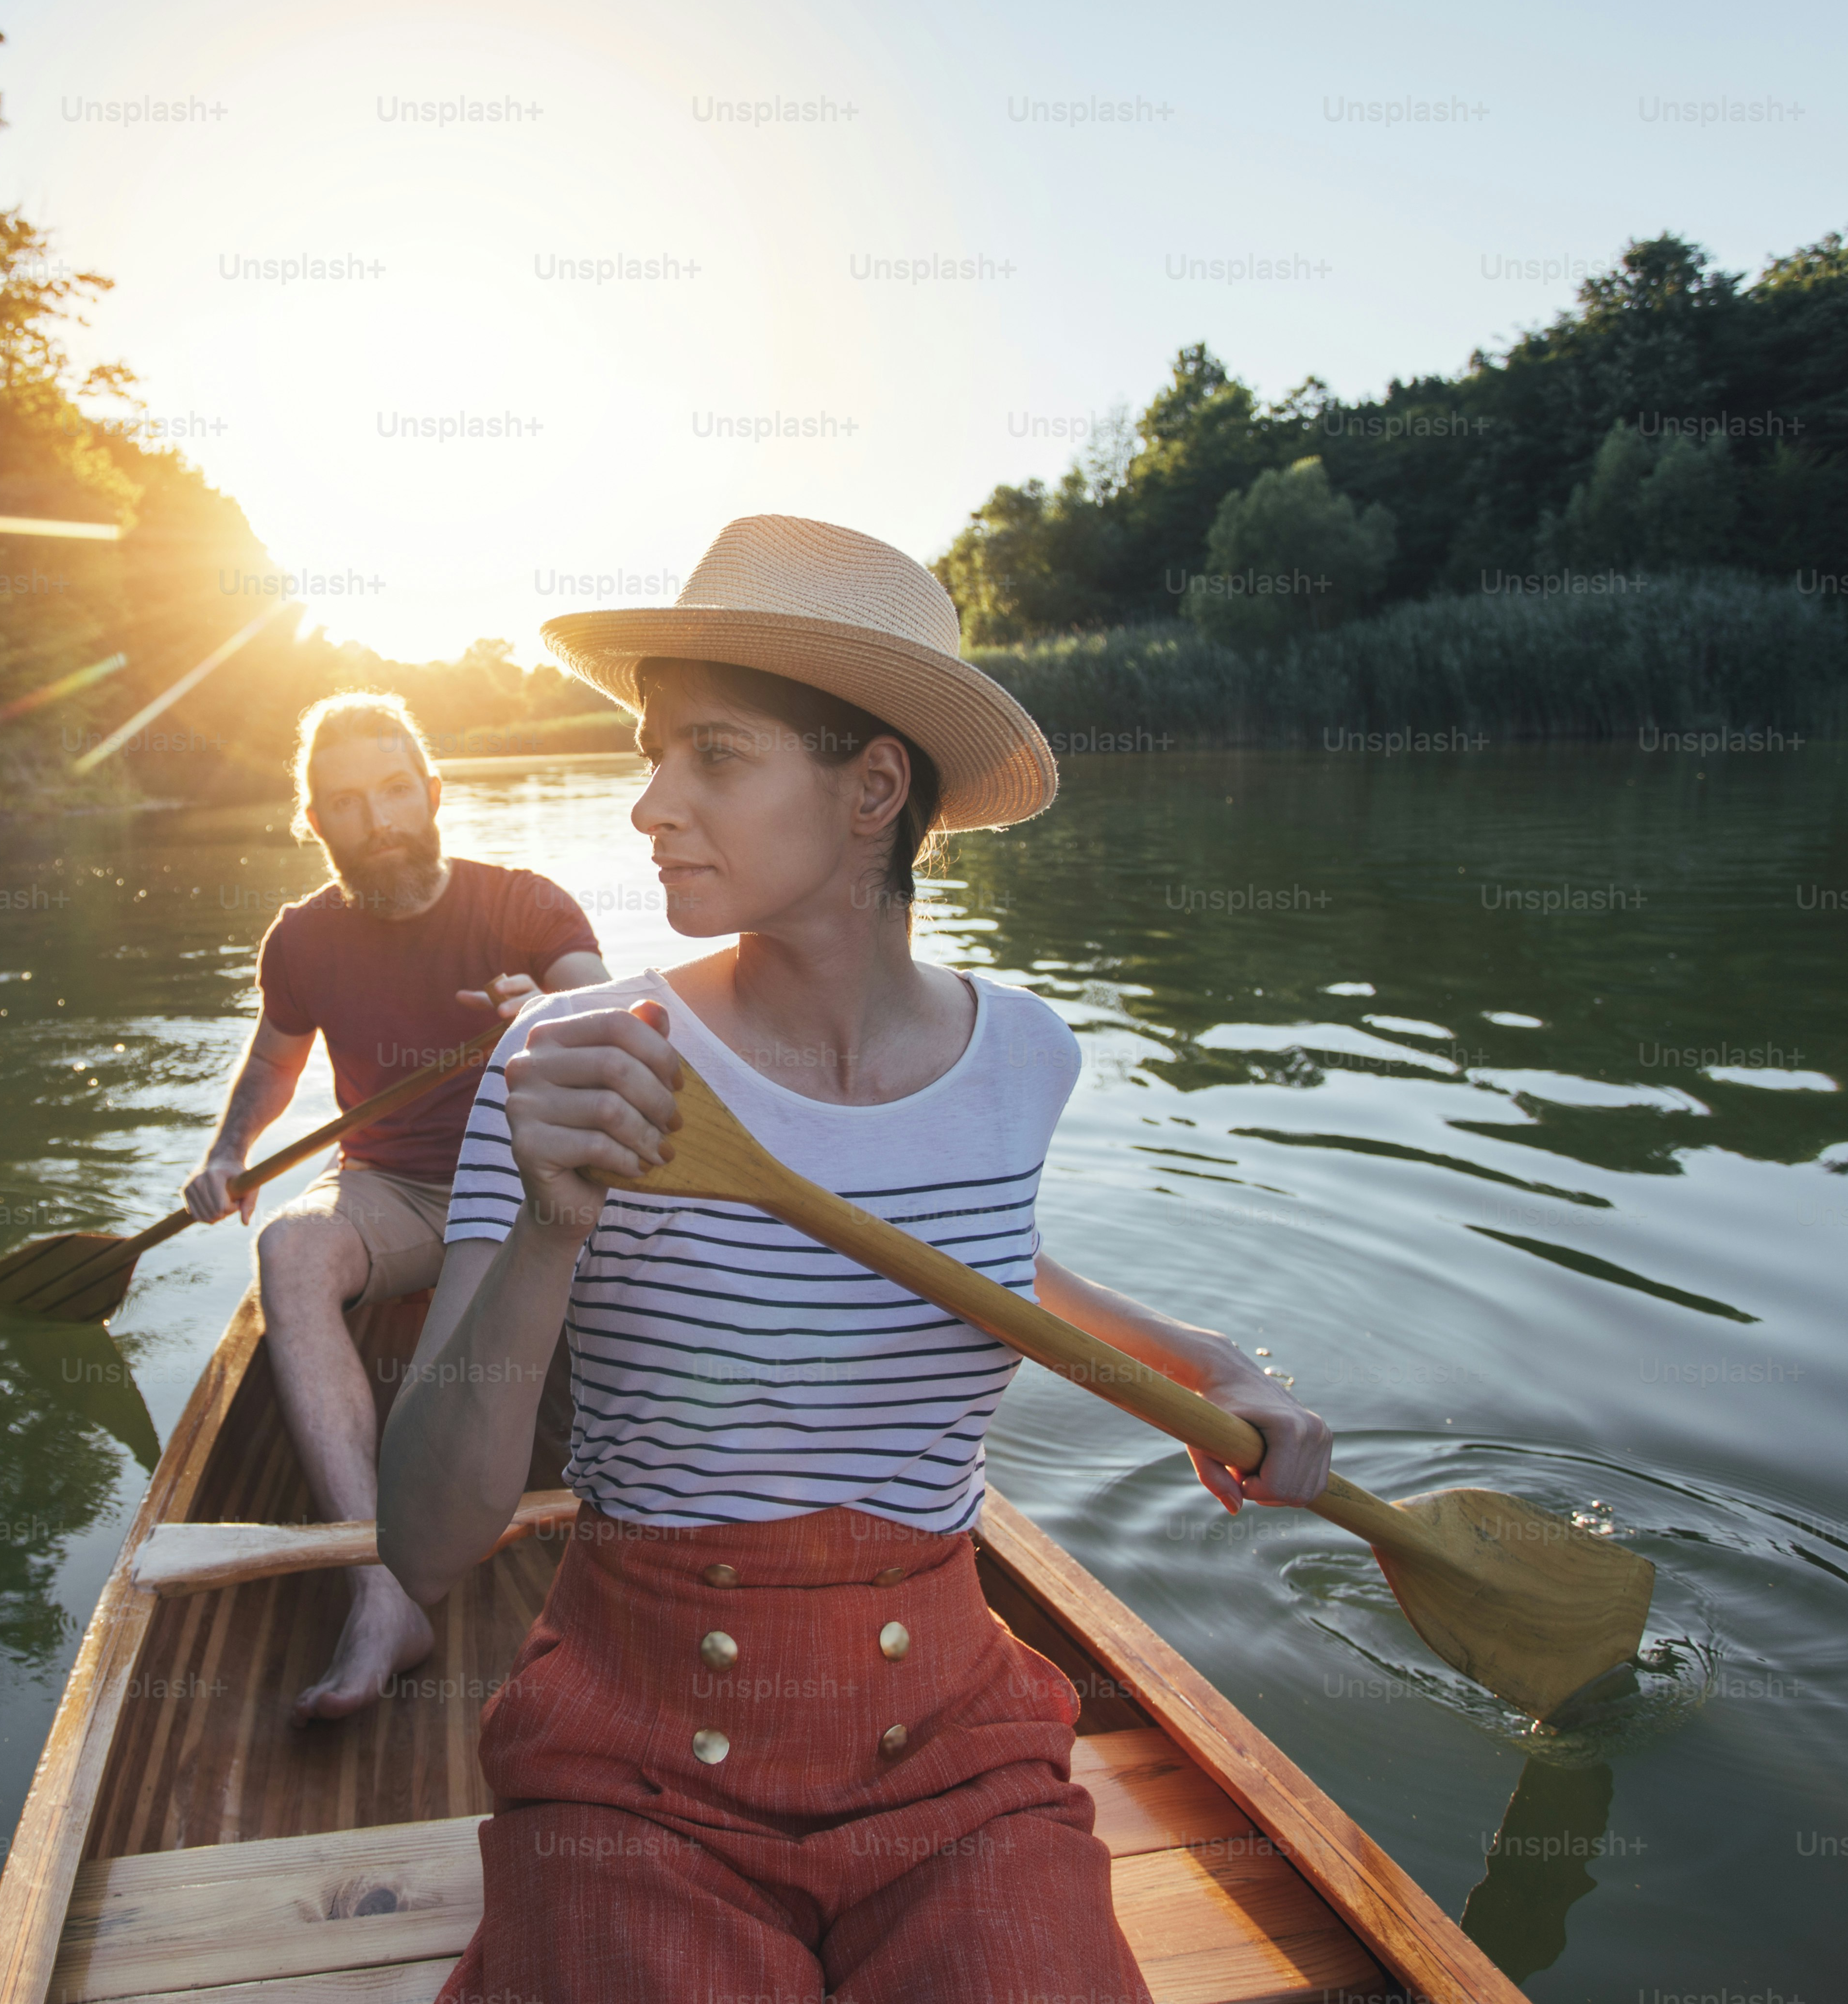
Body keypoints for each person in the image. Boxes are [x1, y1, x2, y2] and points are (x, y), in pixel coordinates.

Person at [381, 515, 1336, 2004]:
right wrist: (556, 1231)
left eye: (712, 754)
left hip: (950, 1734)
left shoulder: (1024, 1052)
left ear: (873, 788)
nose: (646, 804)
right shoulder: (576, 1063)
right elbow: (431, 1541)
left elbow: (984, 1266)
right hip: (639, 1743)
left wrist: (1206, 1367)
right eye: (652, 752)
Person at [185, 690, 611, 1724]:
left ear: (431, 790)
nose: (375, 820)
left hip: (530, 1192)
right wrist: (228, 1149)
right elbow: (273, 1060)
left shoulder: (523, 904)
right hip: (395, 1191)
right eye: (344, 803)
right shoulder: (301, 939)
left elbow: (620, 1016)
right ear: (315, 822)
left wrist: (554, 1017)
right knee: (288, 1246)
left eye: (391, 790)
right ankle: (378, 1595)